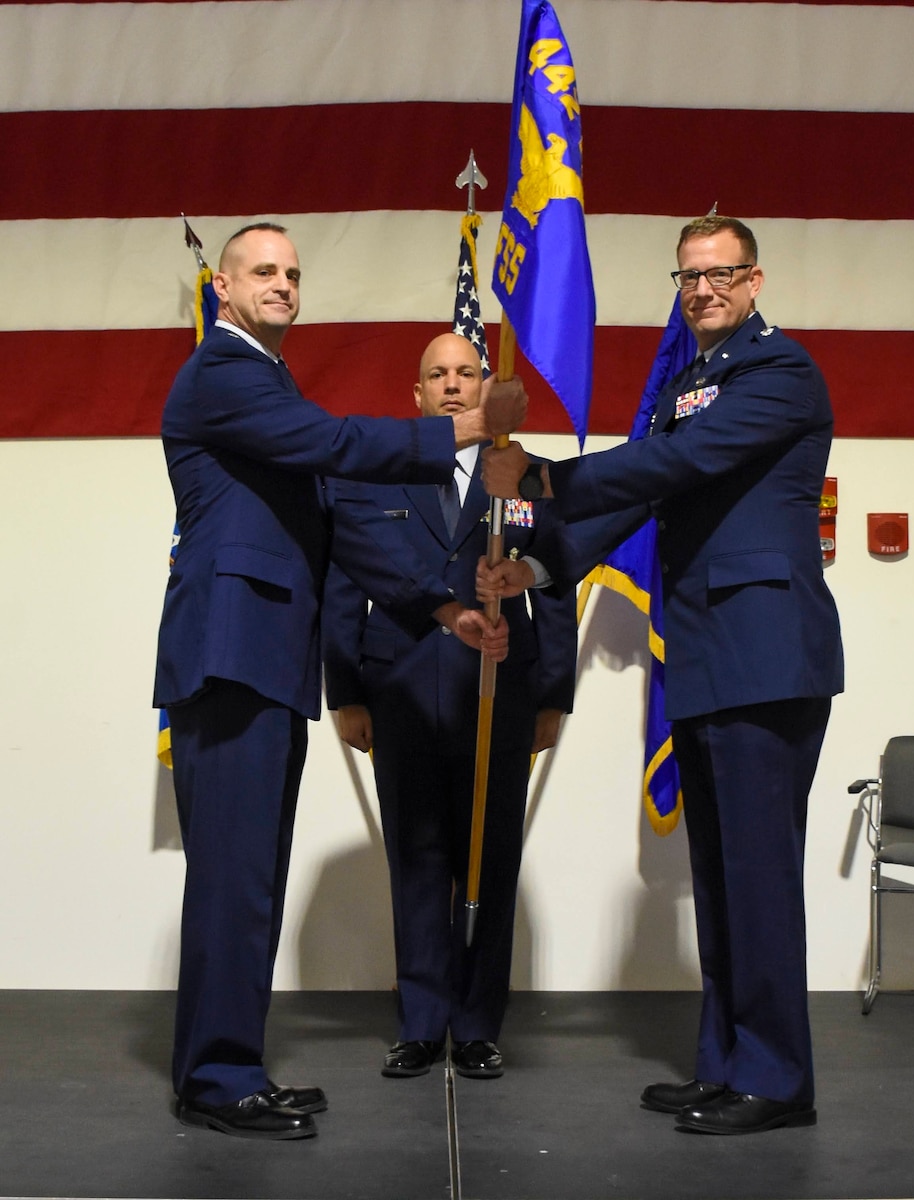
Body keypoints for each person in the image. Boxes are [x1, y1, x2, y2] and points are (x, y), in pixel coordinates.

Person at [153, 224, 526, 1140]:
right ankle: (215, 1076)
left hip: (263, 661)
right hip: (231, 653)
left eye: (292, 272)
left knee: (251, 881)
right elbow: (333, 443)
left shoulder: (267, 382)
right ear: (226, 289)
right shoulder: (224, 372)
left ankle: (233, 1062)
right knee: (234, 880)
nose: (282, 284)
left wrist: (440, 611)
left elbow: (341, 535)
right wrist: (466, 425)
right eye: (263, 272)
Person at [479, 216, 843, 1135]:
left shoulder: (780, 374)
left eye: (722, 275)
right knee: (721, 878)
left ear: (755, 281)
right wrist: (538, 565)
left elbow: (682, 461)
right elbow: (649, 491)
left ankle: (777, 1080)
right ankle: (727, 1064)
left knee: (757, 876)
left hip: (765, 654)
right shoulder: (689, 380)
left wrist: (547, 479)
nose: (703, 291)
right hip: (708, 652)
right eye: (688, 277)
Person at [321, 332, 578, 1081]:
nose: (455, 385)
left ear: (485, 387)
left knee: (490, 859)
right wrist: (347, 692)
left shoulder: (524, 476)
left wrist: (554, 693)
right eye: (438, 375)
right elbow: (346, 583)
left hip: (502, 694)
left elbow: (557, 581)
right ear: (418, 396)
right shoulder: (377, 476)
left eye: (468, 372)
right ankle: (421, 1020)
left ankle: (475, 1026)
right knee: (417, 858)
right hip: (398, 690)